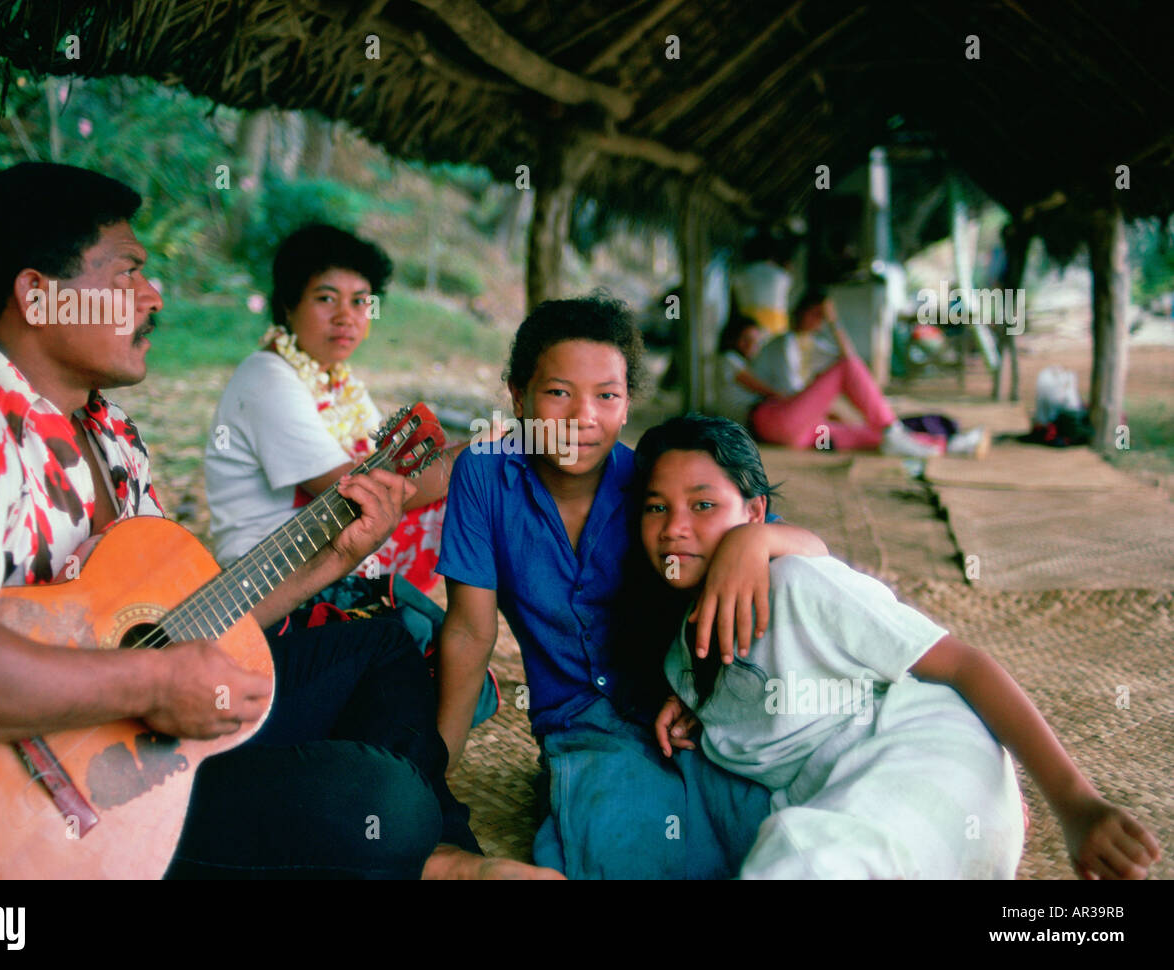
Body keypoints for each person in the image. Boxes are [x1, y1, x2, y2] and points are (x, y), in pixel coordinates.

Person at [0, 163, 553, 880]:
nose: (154, 294)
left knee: (381, 648)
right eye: (127, 274)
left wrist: (331, 561)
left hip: (149, 736)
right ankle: (420, 854)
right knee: (380, 805)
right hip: (68, 811)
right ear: (37, 295)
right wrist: (150, 686)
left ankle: (441, 852)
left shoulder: (112, 436)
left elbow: (182, 621)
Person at [631, 413, 1162, 878]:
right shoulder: (682, 659)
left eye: (702, 504)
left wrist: (1076, 806)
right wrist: (705, 710)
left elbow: (965, 665)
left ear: (753, 513)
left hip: (925, 754)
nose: (675, 528)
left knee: (807, 859)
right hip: (851, 800)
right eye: (656, 508)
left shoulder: (798, 585)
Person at [435, 294, 829, 879]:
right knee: (622, 845)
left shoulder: (654, 483)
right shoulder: (486, 475)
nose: (582, 417)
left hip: (686, 709)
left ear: (626, 407)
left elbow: (812, 552)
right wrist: (434, 773)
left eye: (607, 396)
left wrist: (755, 541)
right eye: (558, 393)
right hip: (580, 725)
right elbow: (469, 633)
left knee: (761, 833)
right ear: (519, 396)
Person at [205, 223, 459, 593]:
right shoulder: (267, 377)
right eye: (326, 299)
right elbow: (362, 491)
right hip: (269, 583)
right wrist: (461, 463)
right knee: (475, 490)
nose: (346, 317)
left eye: (359, 302)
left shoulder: (338, 382)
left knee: (482, 496)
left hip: (332, 556)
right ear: (289, 305)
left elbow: (387, 466)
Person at [734, 289, 986, 457]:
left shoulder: (814, 345)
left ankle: (951, 445)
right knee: (847, 375)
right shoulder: (782, 344)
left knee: (867, 436)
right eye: (816, 315)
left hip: (802, 434)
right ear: (802, 312)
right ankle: (892, 428)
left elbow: (850, 359)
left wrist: (835, 324)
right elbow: (790, 391)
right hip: (772, 421)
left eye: (823, 317)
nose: (818, 321)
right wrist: (820, 401)